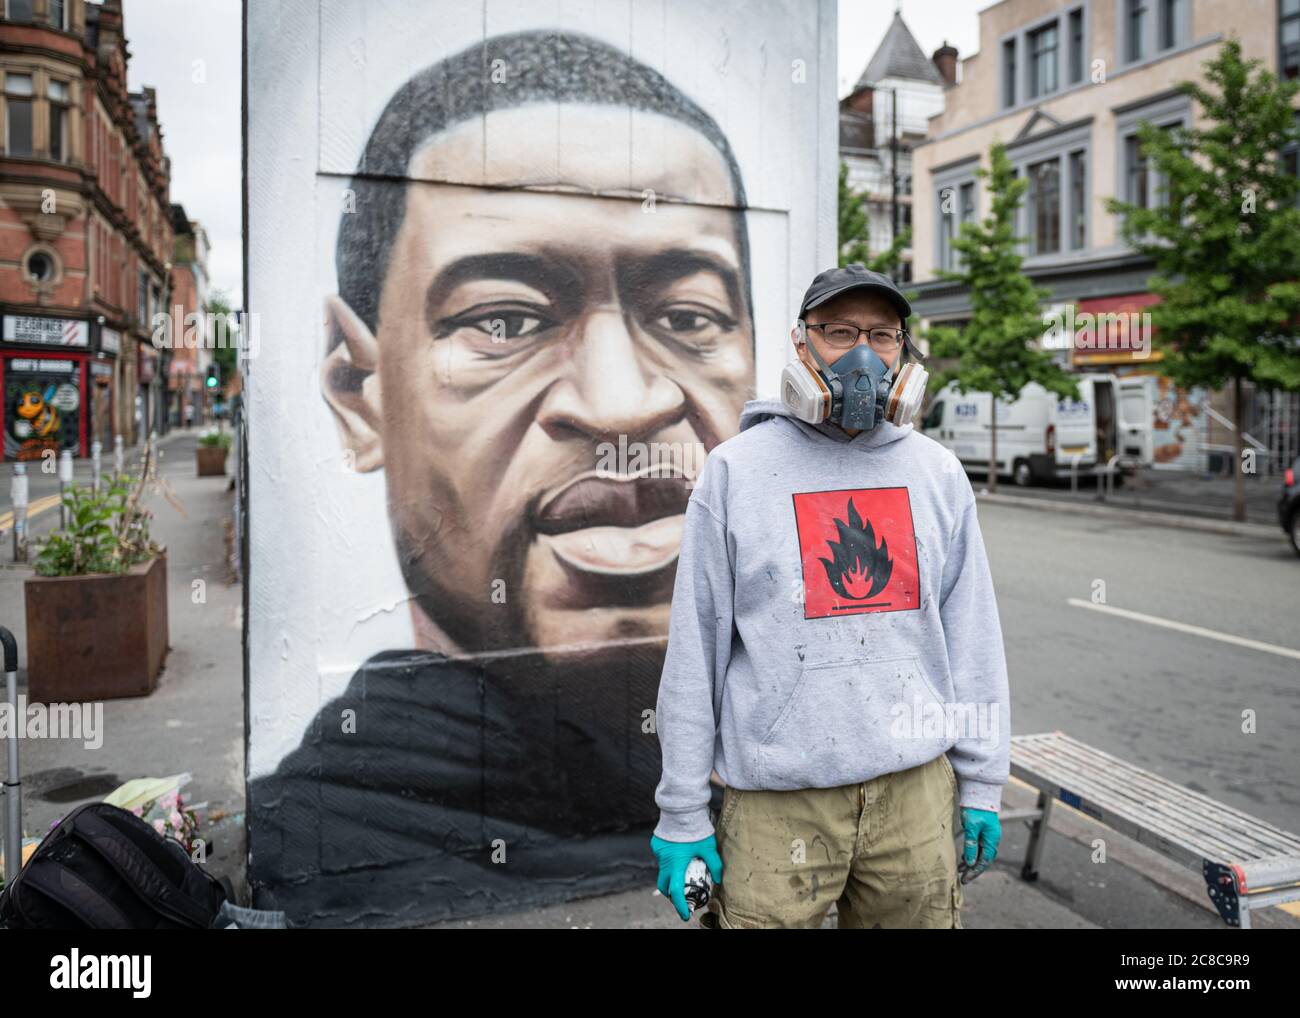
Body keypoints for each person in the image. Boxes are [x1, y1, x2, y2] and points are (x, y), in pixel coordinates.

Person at [248, 29, 756, 927]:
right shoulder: (319, 837)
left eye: (688, 313)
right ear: (360, 396)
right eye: (505, 320)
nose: (622, 403)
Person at [650, 264, 1010, 928]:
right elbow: (695, 651)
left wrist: (984, 780)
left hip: (914, 795)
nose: (863, 354)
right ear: (801, 343)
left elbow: (972, 638)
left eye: (882, 334)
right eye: (839, 331)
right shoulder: (736, 472)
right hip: (774, 803)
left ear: (904, 348)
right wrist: (681, 813)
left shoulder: (938, 474)